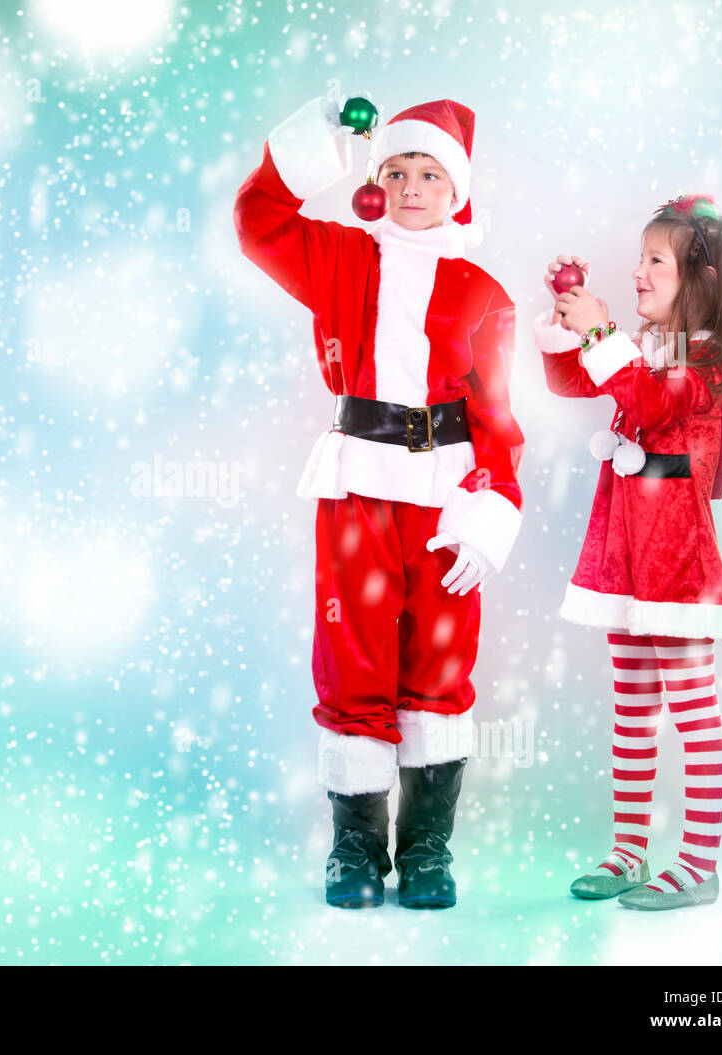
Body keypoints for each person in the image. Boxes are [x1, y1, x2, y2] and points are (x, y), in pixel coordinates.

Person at [234, 92, 525, 908]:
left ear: (456, 188)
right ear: (374, 179)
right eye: (395, 167)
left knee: (438, 661)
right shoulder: (341, 258)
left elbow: (498, 413)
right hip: (357, 487)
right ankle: (355, 849)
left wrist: (494, 503)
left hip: (444, 498)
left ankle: (426, 846)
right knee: (352, 656)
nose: (409, 184)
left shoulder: (482, 291)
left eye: (428, 171)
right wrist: (316, 141)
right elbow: (257, 219)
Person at [534, 194, 722, 909]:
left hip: (677, 563)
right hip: (626, 556)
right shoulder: (648, 349)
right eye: (639, 260)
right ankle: (629, 851)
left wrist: (601, 329)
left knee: (693, 711)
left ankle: (699, 863)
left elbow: (659, 405)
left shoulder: (709, 365)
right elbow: (577, 380)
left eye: (653, 261)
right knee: (633, 708)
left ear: (704, 278)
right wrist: (570, 319)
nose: (636, 273)